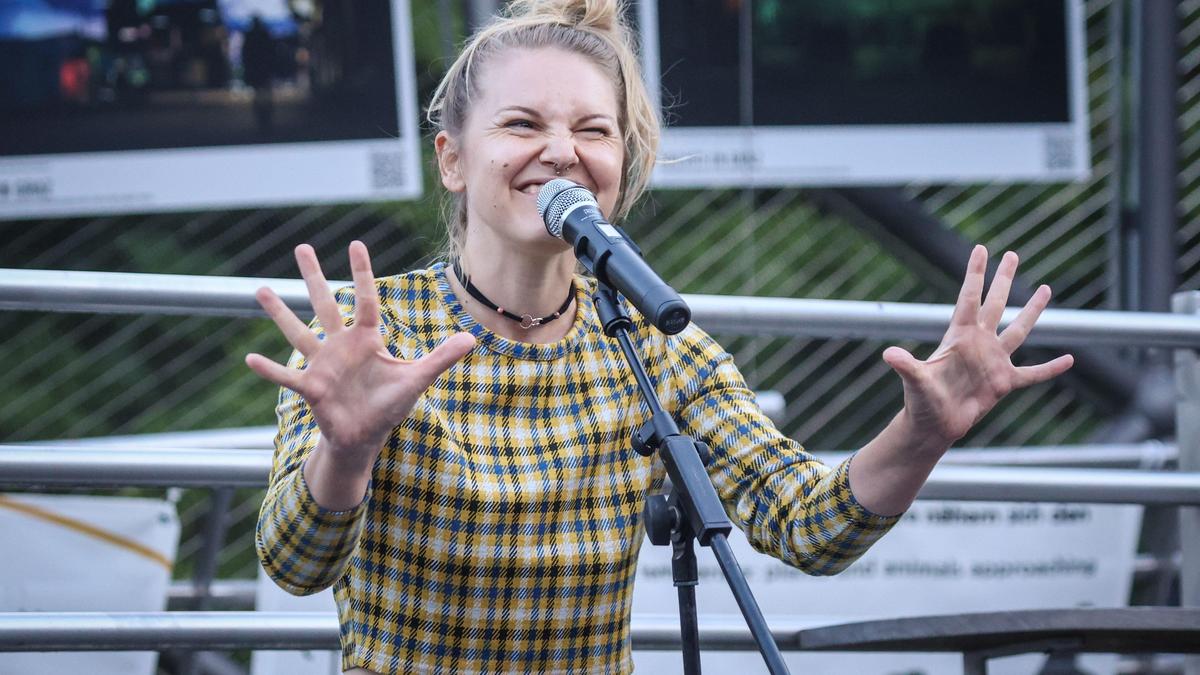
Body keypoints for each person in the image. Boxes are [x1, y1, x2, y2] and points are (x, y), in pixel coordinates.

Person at [246, 1, 1075, 673]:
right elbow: (294, 565)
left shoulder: (656, 343)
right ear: (453, 159)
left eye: (593, 131)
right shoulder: (366, 335)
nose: (562, 153)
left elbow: (806, 525)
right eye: (521, 124)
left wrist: (923, 432)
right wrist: (345, 450)